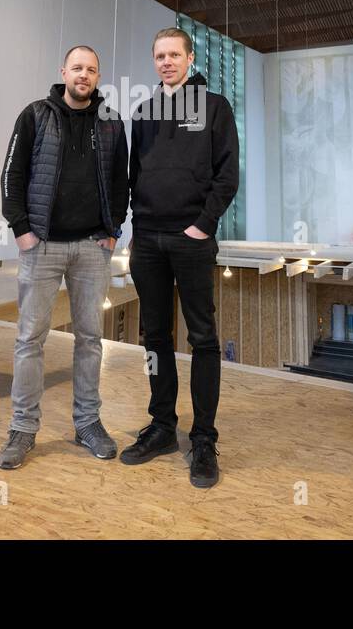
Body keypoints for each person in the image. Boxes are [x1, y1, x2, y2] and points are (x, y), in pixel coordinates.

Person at [0, 45, 129, 469]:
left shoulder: (110, 123)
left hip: (92, 248)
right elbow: (11, 175)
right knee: (29, 340)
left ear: (97, 76)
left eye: (91, 69)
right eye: (77, 68)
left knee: (90, 340)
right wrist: (22, 230)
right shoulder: (36, 115)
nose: (84, 75)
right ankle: (22, 429)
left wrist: (113, 229)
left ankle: (88, 424)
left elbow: (122, 179)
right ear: (64, 72)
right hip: (43, 246)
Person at [121, 27, 238, 488]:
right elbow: (133, 177)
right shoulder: (144, 113)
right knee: (154, 337)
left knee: (203, 337)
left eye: (174, 54)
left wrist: (202, 225)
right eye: (159, 56)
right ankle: (163, 427)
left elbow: (227, 176)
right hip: (148, 241)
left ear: (189, 58)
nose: (167, 62)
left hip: (191, 239)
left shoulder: (214, 107)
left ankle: (204, 438)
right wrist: (135, 228)